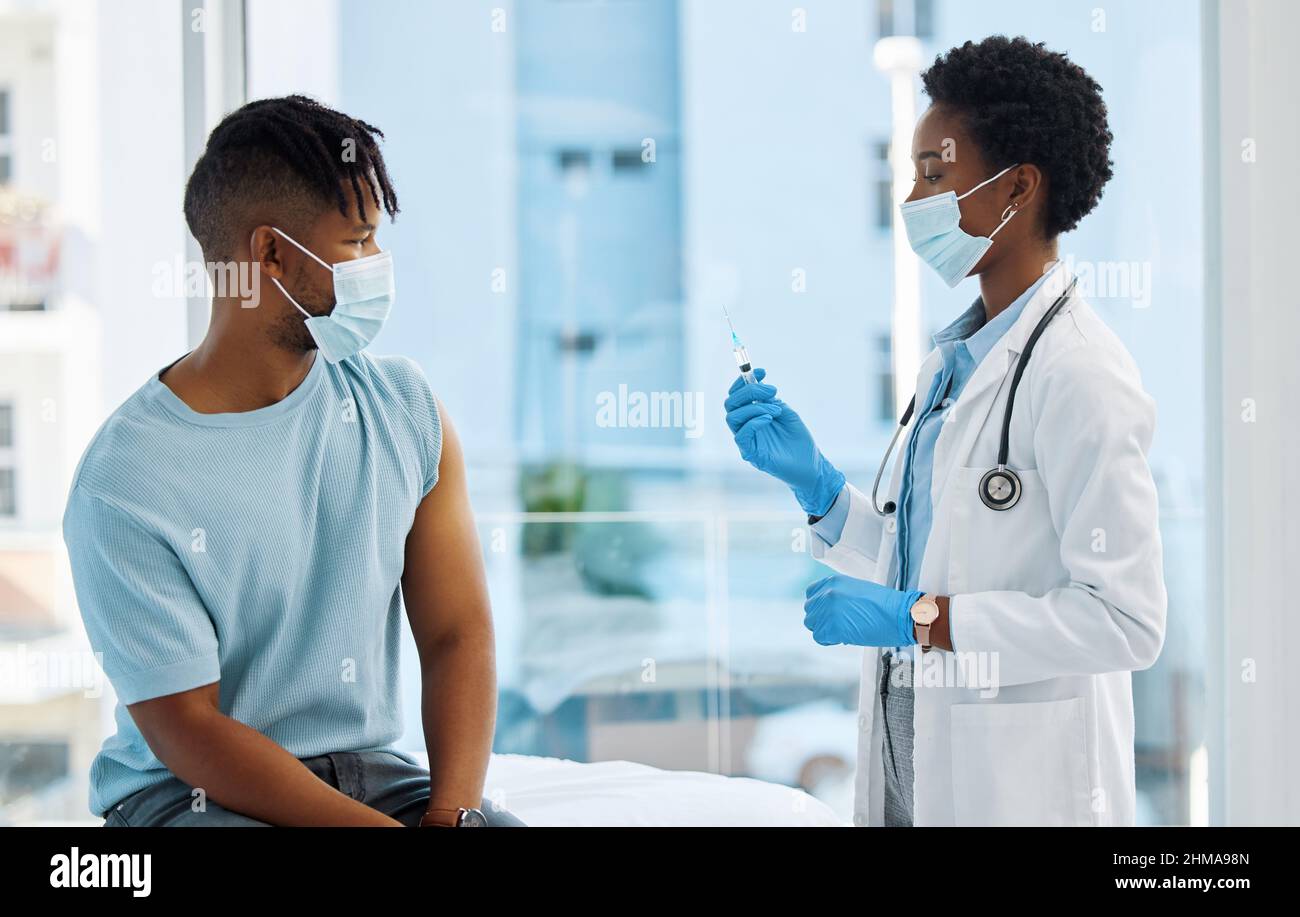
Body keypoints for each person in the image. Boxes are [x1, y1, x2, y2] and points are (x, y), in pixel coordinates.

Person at [724, 36, 1166, 826]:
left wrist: (920, 620)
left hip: (1017, 788)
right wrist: (817, 487)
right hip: (910, 762)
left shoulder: (1082, 375)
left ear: (1017, 188)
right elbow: (924, 556)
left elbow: (1125, 620)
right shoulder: (953, 363)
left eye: (935, 173)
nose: (912, 200)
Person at [63, 95, 523, 827]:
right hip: (193, 796)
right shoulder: (125, 483)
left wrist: (455, 815)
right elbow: (189, 727)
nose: (377, 266)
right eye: (359, 241)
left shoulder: (403, 407)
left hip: (372, 777)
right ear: (271, 255)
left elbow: (456, 632)